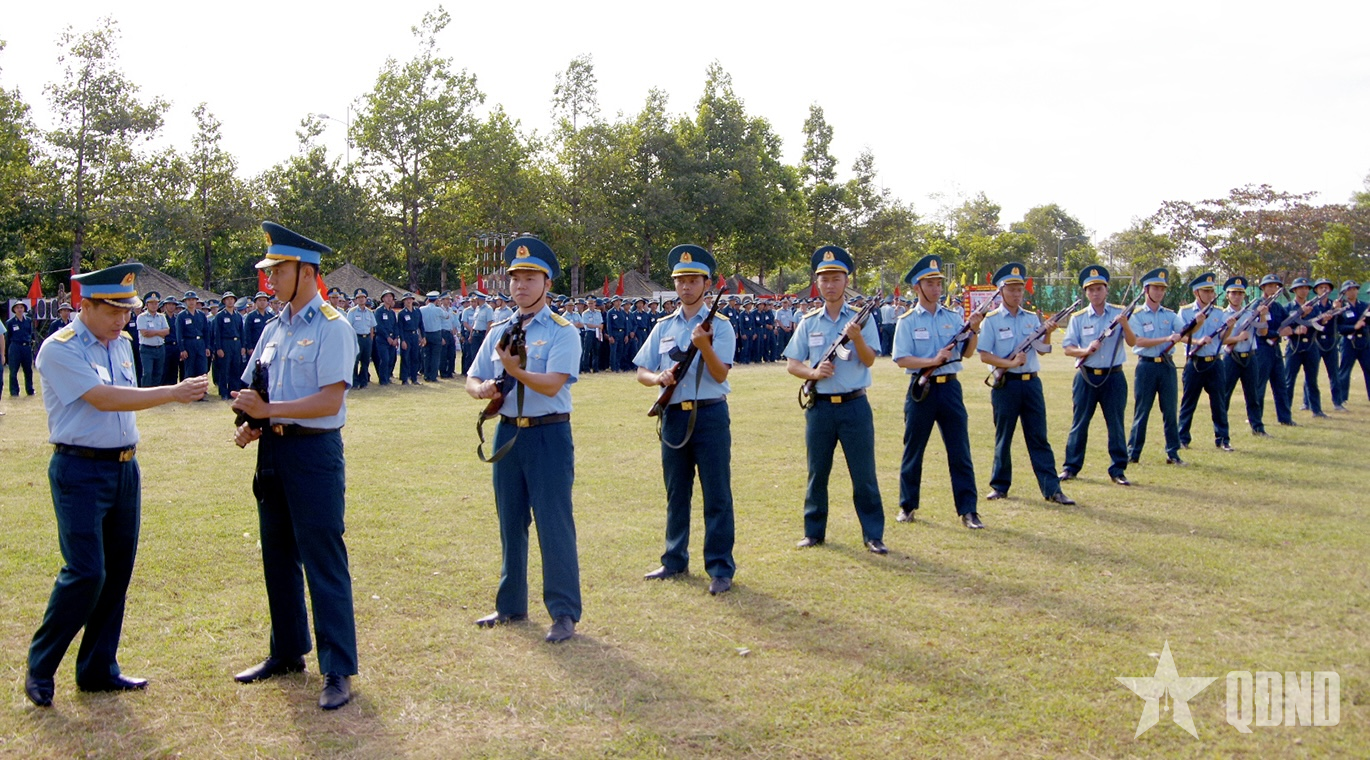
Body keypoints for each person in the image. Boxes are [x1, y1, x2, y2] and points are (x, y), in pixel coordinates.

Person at [24, 263, 209, 708]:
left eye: (126, 311)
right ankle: (40, 665)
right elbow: (103, 399)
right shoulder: (59, 349)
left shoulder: (121, 343)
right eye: (113, 311)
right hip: (80, 470)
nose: (122, 320)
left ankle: (98, 668)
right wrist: (172, 392)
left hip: (125, 468)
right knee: (86, 572)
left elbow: (122, 395)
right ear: (85, 305)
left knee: (117, 573)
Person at [230, 221, 359, 711]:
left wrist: (270, 412)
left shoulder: (333, 326)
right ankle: (286, 652)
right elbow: (259, 391)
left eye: (278, 270)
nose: (270, 279)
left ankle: (338, 668)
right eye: (269, 270)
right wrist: (252, 421)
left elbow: (329, 401)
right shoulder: (272, 326)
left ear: (307, 271)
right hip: (274, 453)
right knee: (277, 556)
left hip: (313, 454)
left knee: (323, 558)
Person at [465, 237, 582, 643]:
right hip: (508, 432)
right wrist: (481, 390)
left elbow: (552, 385)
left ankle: (564, 612)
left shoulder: (564, 331)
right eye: (515, 278)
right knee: (510, 521)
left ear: (547, 283)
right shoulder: (500, 328)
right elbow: (473, 376)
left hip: (548, 432)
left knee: (554, 524)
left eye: (530, 278)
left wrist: (515, 371)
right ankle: (510, 604)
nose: (520, 286)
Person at [634, 244, 738, 594]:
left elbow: (721, 374)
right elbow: (642, 371)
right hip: (674, 415)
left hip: (709, 414)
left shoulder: (720, 326)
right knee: (676, 492)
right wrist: (658, 380)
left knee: (717, 493)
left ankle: (720, 567)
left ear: (706, 284)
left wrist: (704, 345)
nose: (686, 287)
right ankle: (674, 560)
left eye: (693, 281)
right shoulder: (663, 326)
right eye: (681, 281)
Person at [783, 246, 887, 553]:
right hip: (821, 407)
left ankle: (873, 534)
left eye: (836, 278)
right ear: (818, 284)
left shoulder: (861, 320)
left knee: (864, 472)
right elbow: (793, 364)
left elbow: (869, 360)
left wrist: (856, 338)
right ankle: (813, 531)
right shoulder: (809, 322)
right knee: (818, 472)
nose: (830, 284)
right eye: (825, 279)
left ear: (846, 282)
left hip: (855, 405)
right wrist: (813, 373)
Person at [892, 255, 986, 528]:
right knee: (914, 450)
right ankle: (907, 505)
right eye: (930, 284)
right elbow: (902, 359)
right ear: (917, 288)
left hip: (950, 389)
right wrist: (931, 361)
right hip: (921, 389)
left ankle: (968, 510)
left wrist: (975, 330)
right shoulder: (907, 321)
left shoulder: (954, 318)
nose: (936, 288)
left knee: (960, 450)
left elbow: (966, 353)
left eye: (938, 283)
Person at [977, 262, 1074, 505]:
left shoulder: (1032, 318)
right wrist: (1009, 364)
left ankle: (1052, 488)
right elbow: (984, 355)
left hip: (1031, 384)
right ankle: (999, 486)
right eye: (1011, 289)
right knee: (1004, 437)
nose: (1017, 294)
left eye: (1020, 289)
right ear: (1001, 291)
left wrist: (1048, 332)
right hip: (1005, 385)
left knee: (1038, 437)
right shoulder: (991, 320)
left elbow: (1042, 350)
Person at [1060, 265, 1136, 486]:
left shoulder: (1119, 314)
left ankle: (1118, 469)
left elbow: (1132, 342)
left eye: (1099, 288)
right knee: (1080, 422)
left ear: (1106, 290)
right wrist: (1085, 351)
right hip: (1086, 376)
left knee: (1115, 423)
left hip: (1114, 377)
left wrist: (1125, 325)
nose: (1095, 293)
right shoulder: (1078, 318)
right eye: (1091, 289)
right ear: (1086, 293)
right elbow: (1068, 348)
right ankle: (1071, 467)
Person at [1127, 268, 1186, 466]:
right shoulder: (1136, 315)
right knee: (1142, 410)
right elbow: (1138, 341)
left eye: (1162, 289)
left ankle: (1173, 452)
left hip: (1167, 366)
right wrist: (1166, 338)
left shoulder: (1169, 315)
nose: (1159, 292)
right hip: (1147, 366)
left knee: (1170, 411)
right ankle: (1133, 452)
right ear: (1146, 290)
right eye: (1156, 288)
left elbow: (1183, 333)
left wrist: (1195, 329)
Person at [1176, 273, 1234, 452]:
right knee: (1188, 402)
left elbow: (1224, 338)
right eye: (1206, 291)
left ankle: (1223, 438)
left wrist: (1230, 326)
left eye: (1212, 291)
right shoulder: (1185, 312)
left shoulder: (1218, 312)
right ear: (1196, 292)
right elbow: (1181, 336)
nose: (1210, 295)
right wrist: (1197, 340)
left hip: (1215, 362)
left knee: (1219, 402)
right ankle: (1182, 437)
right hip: (1195, 362)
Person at [1219, 277, 1268, 437]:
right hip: (1231, 357)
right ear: (1227, 295)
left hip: (1250, 357)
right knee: (1224, 394)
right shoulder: (1222, 315)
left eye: (1240, 293)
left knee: (1253, 394)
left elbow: (1263, 332)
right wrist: (1238, 338)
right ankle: (1221, 429)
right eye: (1233, 293)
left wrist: (1262, 316)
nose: (1237, 296)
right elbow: (1222, 340)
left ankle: (1258, 427)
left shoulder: (1250, 314)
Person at [1252, 275, 1295, 427]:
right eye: (1269, 286)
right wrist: (1277, 334)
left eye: (1275, 286)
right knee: (1259, 386)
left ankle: (1285, 418)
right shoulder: (1257, 305)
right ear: (1262, 288)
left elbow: (1289, 321)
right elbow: (1259, 330)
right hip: (1261, 349)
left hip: (1275, 349)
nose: (1272, 288)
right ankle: (1256, 419)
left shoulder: (1277, 307)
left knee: (1281, 385)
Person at [1283, 278, 1325, 419]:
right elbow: (1283, 326)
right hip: (1294, 346)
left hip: (1311, 346)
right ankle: (1286, 410)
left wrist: (1323, 320)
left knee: (1312, 380)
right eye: (1301, 288)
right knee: (1289, 381)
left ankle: (1316, 410)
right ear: (1294, 290)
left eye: (1306, 288)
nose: (1304, 290)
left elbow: (1319, 326)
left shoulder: (1315, 307)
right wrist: (1300, 319)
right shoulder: (1288, 308)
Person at [1308, 279, 1343, 411]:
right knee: (1311, 374)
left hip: (1330, 341)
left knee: (1334, 373)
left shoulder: (1334, 304)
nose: (1324, 290)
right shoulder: (1312, 305)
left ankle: (1337, 402)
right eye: (1321, 287)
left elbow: (1341, 322)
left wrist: (1337, 310)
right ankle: (1307, 402)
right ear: (1316, 290)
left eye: (1326, 287)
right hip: (1315, 341)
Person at [1336, 281, 1369, 405]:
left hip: (1364, 341)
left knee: (1369, 368)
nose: (1352, 291)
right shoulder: (1341, 308)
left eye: (1354, 289)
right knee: (1345, 370)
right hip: (1348, 342)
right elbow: (1339, 327)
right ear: (1344, 292)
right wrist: (1354, 327)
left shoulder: (1364, 306)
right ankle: (1342, 398)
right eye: (1349, 289)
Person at [210, 292, 246, 400]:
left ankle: (233, 391)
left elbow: (242, 332)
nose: (230, 301)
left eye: (232, 299)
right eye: (227, 299)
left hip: (237, 343)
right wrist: (219, 348)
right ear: (224, 301)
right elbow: (217, 333)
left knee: (235, 368)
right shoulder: (220, 316)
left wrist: (243, 346)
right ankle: (223, 392)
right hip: (225, 343)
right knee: (224, 369)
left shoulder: (238, 316)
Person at [177, 291, 211, 391]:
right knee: (190, 368)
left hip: (200, 343)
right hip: (189, 343)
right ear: (185, 302)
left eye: (193, 300)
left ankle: (201, 391)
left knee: (202, 368)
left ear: (196, 301)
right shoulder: (182, 315)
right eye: (189, 300)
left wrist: (207, 347)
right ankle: (189, 391)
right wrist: (182, 349)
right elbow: (179, 334)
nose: (191, 302)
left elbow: (206, 331)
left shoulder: (201, 315)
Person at [135, 292, 169, 387]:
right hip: (147, 349)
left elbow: (167, 331)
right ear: (147, 304)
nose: (154, 305)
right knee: (147, 372)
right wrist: (159, 332)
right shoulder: (141, 317)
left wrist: (153, 332)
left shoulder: (162, 317)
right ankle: (145, 394)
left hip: (160, 348)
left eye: (156, 303)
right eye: (151, 303)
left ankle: (155, 395)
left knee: (158, 373)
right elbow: (145, 333)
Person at [348, 288, 376, 389]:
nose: (361, 299)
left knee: (365, 361)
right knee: (355, 361)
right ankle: (354, 382)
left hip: (367, 338)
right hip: (356, 338)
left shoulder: (369, 312)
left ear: (366, 299)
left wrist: (371, 340)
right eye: (358, 298)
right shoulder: (352, 312)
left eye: (363, 297)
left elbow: (372, 327)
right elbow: (349, 327)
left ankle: (364, 382)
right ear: (355, 300)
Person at [7, 301, 36, 396]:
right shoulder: (10, 322)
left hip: (26, 347)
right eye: (17, 308)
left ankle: (30, 389)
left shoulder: (28, 321)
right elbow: (8, 337)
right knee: (13, 370)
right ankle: (14, 391)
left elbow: (31, 334)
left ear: (24, 309)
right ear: (14, 310)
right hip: (15, 347)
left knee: (28, 370)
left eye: (21, 307)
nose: (19, 309)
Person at [372, 290, 399, 385]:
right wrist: (387, 337)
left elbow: (396, 325)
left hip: (392, 339)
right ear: (383, 299)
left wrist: (396, 337)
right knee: (385, 359)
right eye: (387, 296)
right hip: (382, 339)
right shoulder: (379, 311)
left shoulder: (391, 312)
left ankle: (388, 377)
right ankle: (383, 380)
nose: (389, 298)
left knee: (392, 359)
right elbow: (378, 326)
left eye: (390, 296)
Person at [397, 292, 423, 384]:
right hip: (406, 335)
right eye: (406, 299)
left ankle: (414, 378)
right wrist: (402, 340)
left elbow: (421, 325)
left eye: (410, 299)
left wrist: (422, 337)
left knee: (415, 357)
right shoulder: (402, 313)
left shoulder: (417, 311)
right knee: (405, 357)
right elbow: (400, 328)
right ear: (404, 301)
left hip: (414, 335)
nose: (408, 301)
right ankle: (404, 379)